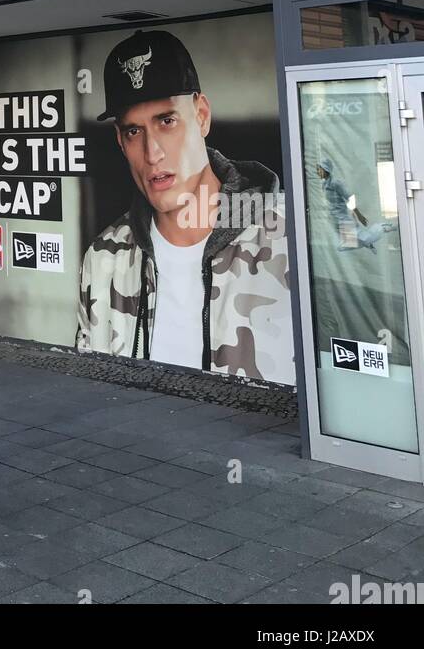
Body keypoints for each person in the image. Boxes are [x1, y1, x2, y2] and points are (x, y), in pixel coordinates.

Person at [76, 29, 293, 383]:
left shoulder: (287, 239)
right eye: (134, 131)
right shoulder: (103, 259)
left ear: (202, 115)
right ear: (120, 140)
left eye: (167, 121)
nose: (153, 153)